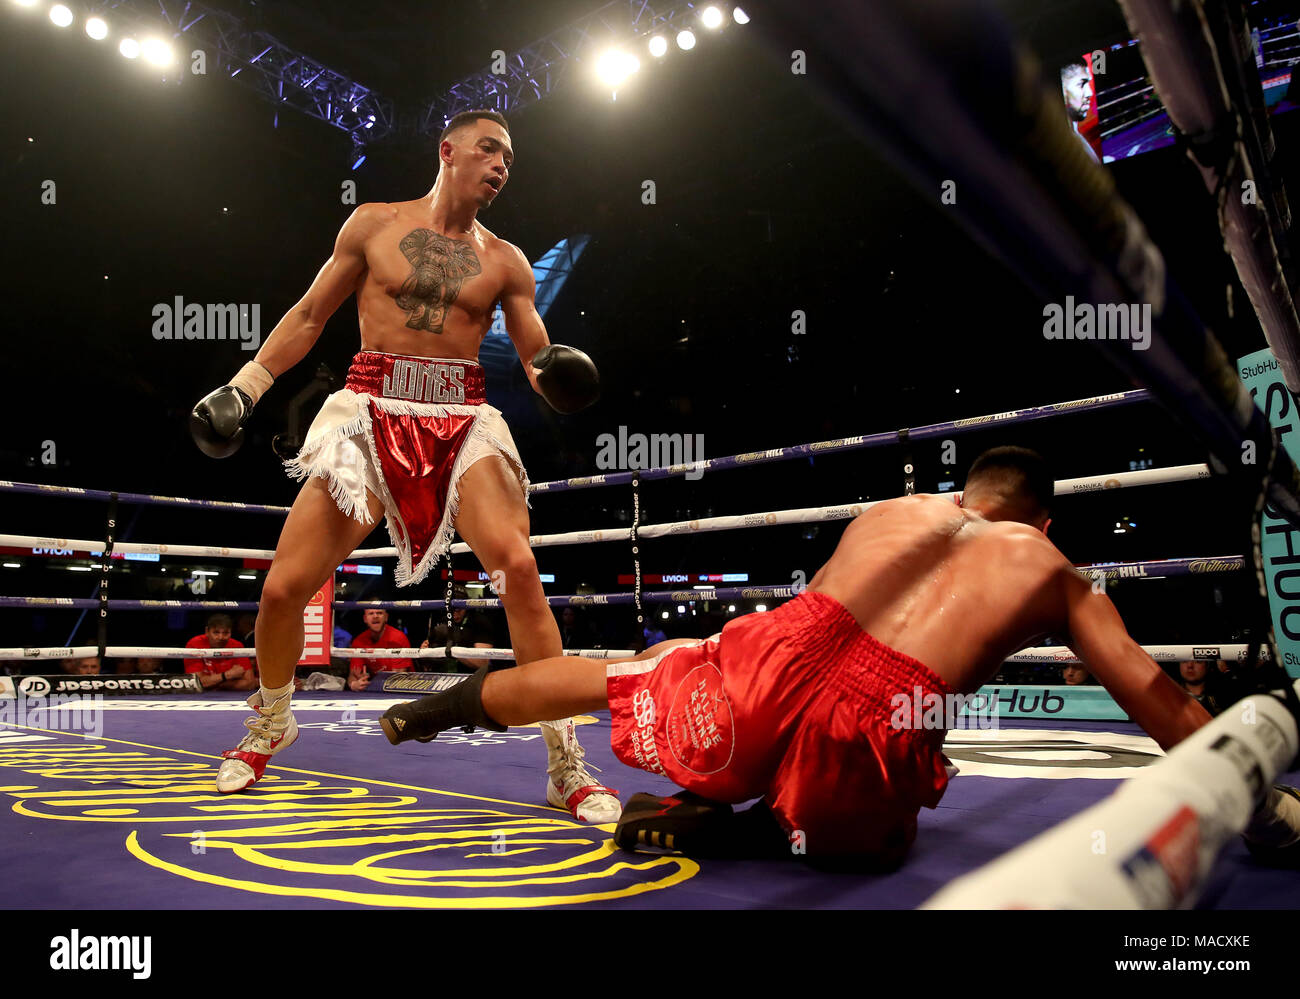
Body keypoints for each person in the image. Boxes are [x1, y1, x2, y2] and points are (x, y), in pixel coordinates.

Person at [379, 447, 1300, 866]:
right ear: (1042, 519)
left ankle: (441, 706)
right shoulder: (1052, 568)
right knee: (883, 834)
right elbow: (1155, 699)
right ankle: (754, 824)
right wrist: (1261, 807)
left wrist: (711, 661)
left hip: (756, 680)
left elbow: (806, 635)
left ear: (964, 492)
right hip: (860, 747)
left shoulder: (890, 515)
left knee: (643, 665)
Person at [189, 110, 617, 822]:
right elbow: (308, 314)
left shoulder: (507, 260)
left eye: (509, 157)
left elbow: (537, 354)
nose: (501, 164)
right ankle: (272, 720)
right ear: (448, 151)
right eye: (489, 149)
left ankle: (565, 761)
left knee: (516, 567)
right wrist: (246, 386)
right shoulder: (373, 224)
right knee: (282, 589)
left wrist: (555, 376)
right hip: (368, 411)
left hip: (462, 418)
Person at [185, 614, 256, 691]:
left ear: (231, 632)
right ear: (207, 631)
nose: (221, 637)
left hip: (230, 696)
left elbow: (249, 683)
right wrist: (227, 675)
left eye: (225, 633)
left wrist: (214, 683)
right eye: (216, 632)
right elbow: (196, 683)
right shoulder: (195, 644)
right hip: (202, 697)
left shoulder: (237, 645)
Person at [348, 608, 414, 691]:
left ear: (386, 617)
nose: (375, 616)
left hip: (404, 689)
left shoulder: (397, 639)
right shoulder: (359, 641)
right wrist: (355, 684)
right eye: (371, 613)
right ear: (365, 619)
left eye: (379, 613)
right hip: (376, 690)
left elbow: (397, 680)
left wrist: (372, 682)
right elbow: (353, 675)